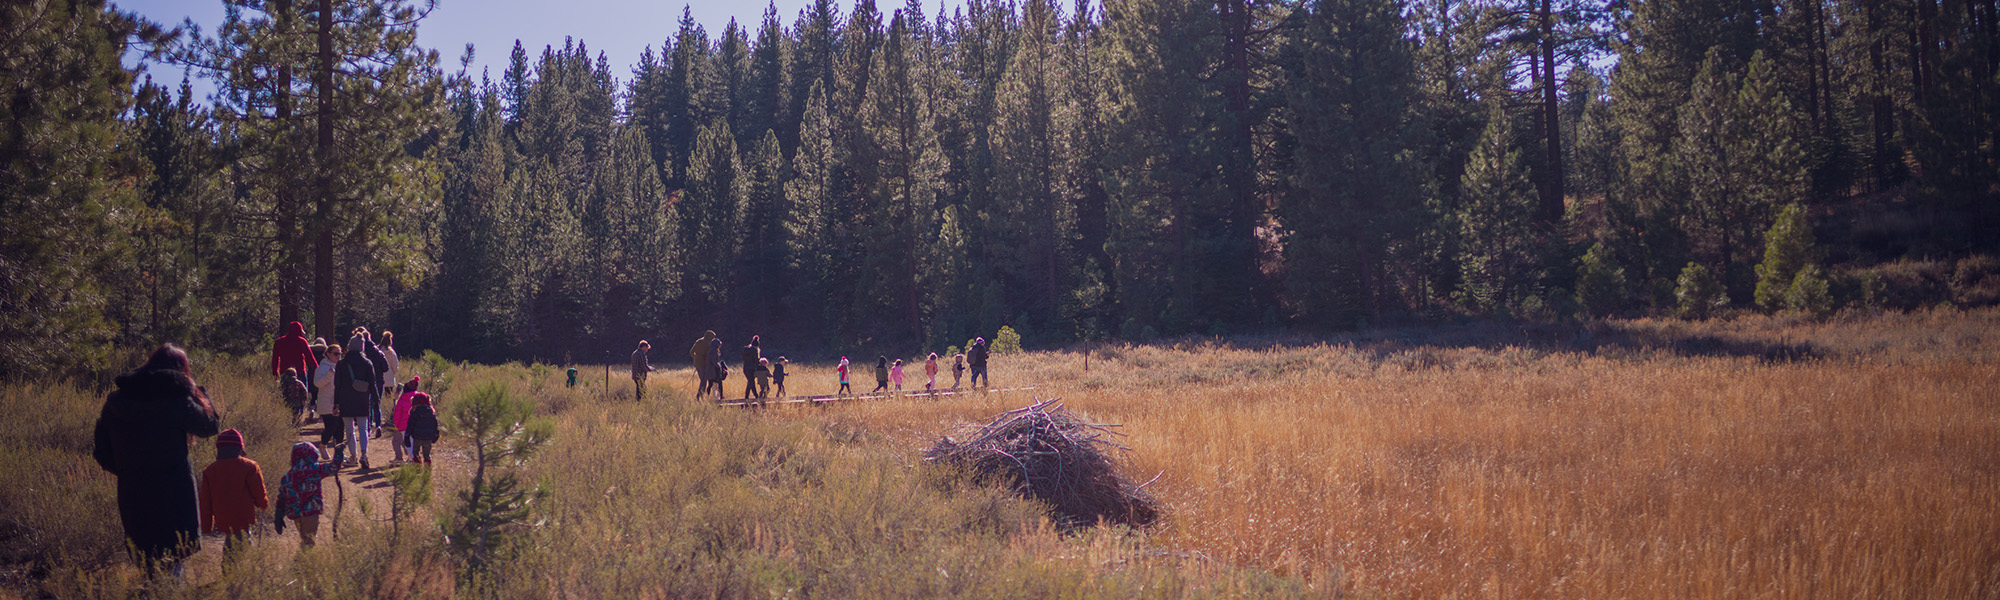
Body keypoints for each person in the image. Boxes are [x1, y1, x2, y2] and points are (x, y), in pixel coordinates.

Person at [92, 343, 222, 574]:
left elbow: (102, 453)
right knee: (173, 561)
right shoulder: (175, 398)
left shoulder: (115, 402)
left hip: (133, 494)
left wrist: (129, 470)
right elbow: (209, 426)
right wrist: (199, 391)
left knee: (148, 564)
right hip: (173, 495)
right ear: (182, 370)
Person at [198, 429, 267, 558]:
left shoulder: (210, 471)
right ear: (239, 448)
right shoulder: (250, 466)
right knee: (240, 545)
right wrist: (263, 504)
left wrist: (206, 526)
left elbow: (205, 502)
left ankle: (232, 572)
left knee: (232, 541)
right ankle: (233, 574)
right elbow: (258, 490)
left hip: (223, 518)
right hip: (243, 516)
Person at [272, 442, 338, 547]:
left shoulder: (287, 476)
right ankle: (303, 562)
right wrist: (338, 453)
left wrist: (278, 517)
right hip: (311, 512)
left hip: (296, 515)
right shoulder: (315, 469)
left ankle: (302, 560)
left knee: (305, 539)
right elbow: (334, 468)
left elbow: (282, 498)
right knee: (309, 543)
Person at [335, 336, 378, 471]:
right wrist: (376, 399)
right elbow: (372, 383)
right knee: (363, 428)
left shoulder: (341, 364)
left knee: (349, 429)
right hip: (362, 399)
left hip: (345, 399)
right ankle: (364, 454)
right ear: (362, 347)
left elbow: (337, 385)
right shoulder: (367, 363)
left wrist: (336, 403)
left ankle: (353, 456)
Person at [355, 328, 389, 438]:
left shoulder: (361, 354)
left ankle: (368, 428)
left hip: (365, 382)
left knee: (367, 405)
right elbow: (385, 368)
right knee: (376, 403)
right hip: (378, 381)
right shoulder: (378, 352)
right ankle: (378, 425)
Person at [313, 345, 345, 463]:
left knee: (340, 428)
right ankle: (323, 445)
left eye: (340, 354)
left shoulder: (340, 366)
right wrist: (329, 375)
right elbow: (317, 383)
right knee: (331, 427)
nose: (338, 356)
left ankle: (339, 453)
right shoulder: (322, 368)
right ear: (328, 354)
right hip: (327, 403)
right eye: (336, 353)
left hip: (338, 403)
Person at [390, 377, 420, 465]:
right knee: (413, 443)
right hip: (416, 425)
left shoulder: (402, 399)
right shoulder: (419, 397)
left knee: (405, 442)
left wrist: (396, 424)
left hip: (403, 426)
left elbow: (397, 414)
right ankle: (413, 459)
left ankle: (410, 459)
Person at [404, 393, 440, 464]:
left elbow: (410, 426)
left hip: (417, 437)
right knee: (427, 455)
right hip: (428, 437)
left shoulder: (414, 414)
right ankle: (427, 470)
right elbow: (435, 426)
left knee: (416, 454)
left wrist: (407, 437)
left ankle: (417, 469)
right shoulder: (431, 413)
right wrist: (435, 436)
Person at [691, 330, 717, 398]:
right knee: (704, 381)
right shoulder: (708, 344)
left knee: (703, 380)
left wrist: (696, 358)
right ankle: (699, 396)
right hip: (704, 365)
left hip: (697, 364)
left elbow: (691, 352)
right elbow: (708, 356)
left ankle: (701, 396)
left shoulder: (698, 341)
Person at [307, 338, 328, 422]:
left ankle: (312, 409)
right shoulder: (326, 353)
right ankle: (321, 414)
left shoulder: (310, 352)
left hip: (312, 375)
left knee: (313, 395)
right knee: (321, 395)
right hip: (322, 376)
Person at [380, 331, 401, 407]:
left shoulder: (378, 351)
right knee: (388, 397)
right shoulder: (391, 353)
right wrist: (392, 374)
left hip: (379, 377)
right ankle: (387, 410)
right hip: (389, 378)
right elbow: (395, 367)